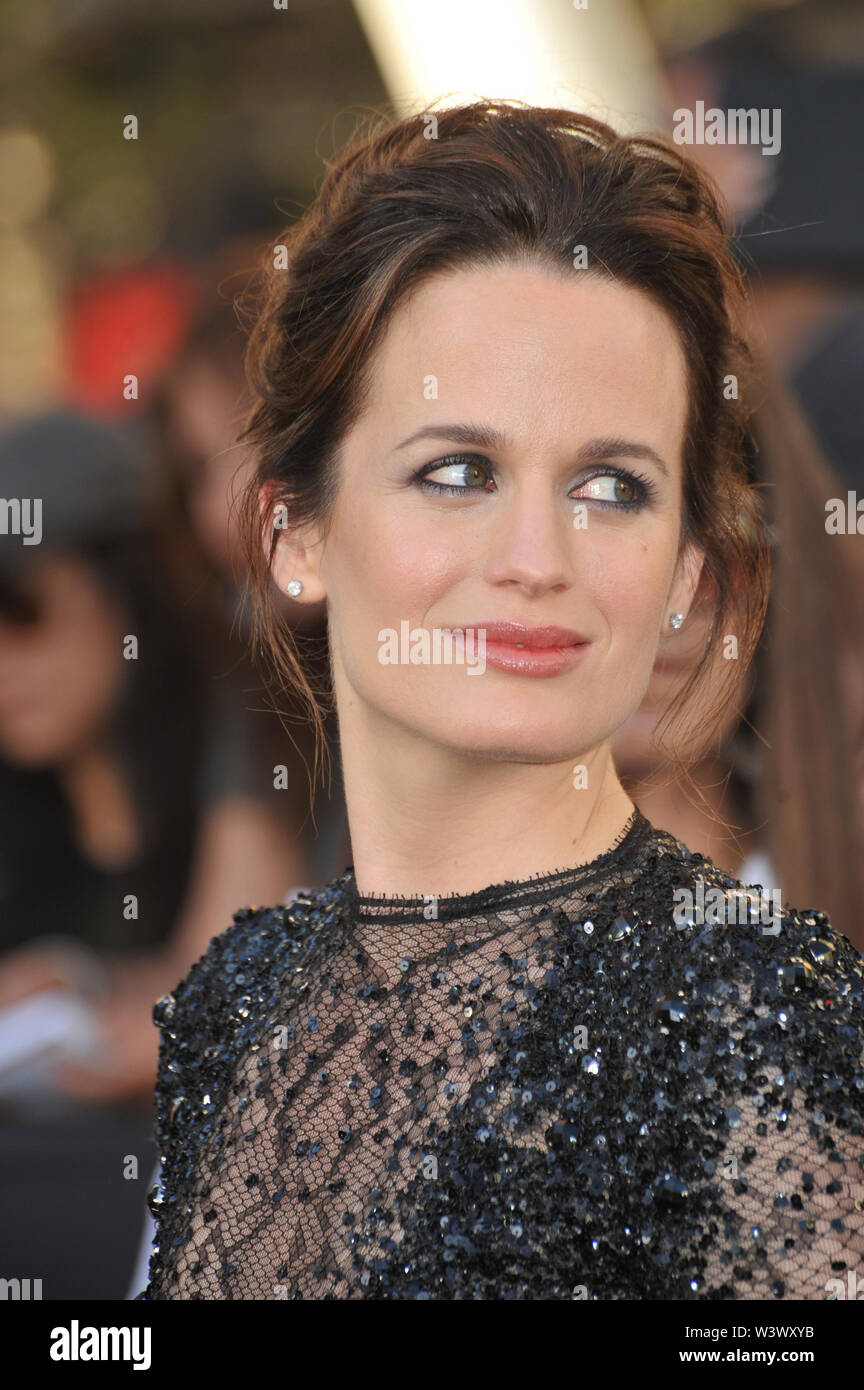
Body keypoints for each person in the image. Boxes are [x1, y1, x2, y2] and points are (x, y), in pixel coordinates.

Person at [139, 99, 864, 1301]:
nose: (540, 554)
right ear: (294, 530)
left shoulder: (762, 1027)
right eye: (458, 471)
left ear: (686, 567)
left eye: (614, 485)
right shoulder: (243, 1001)